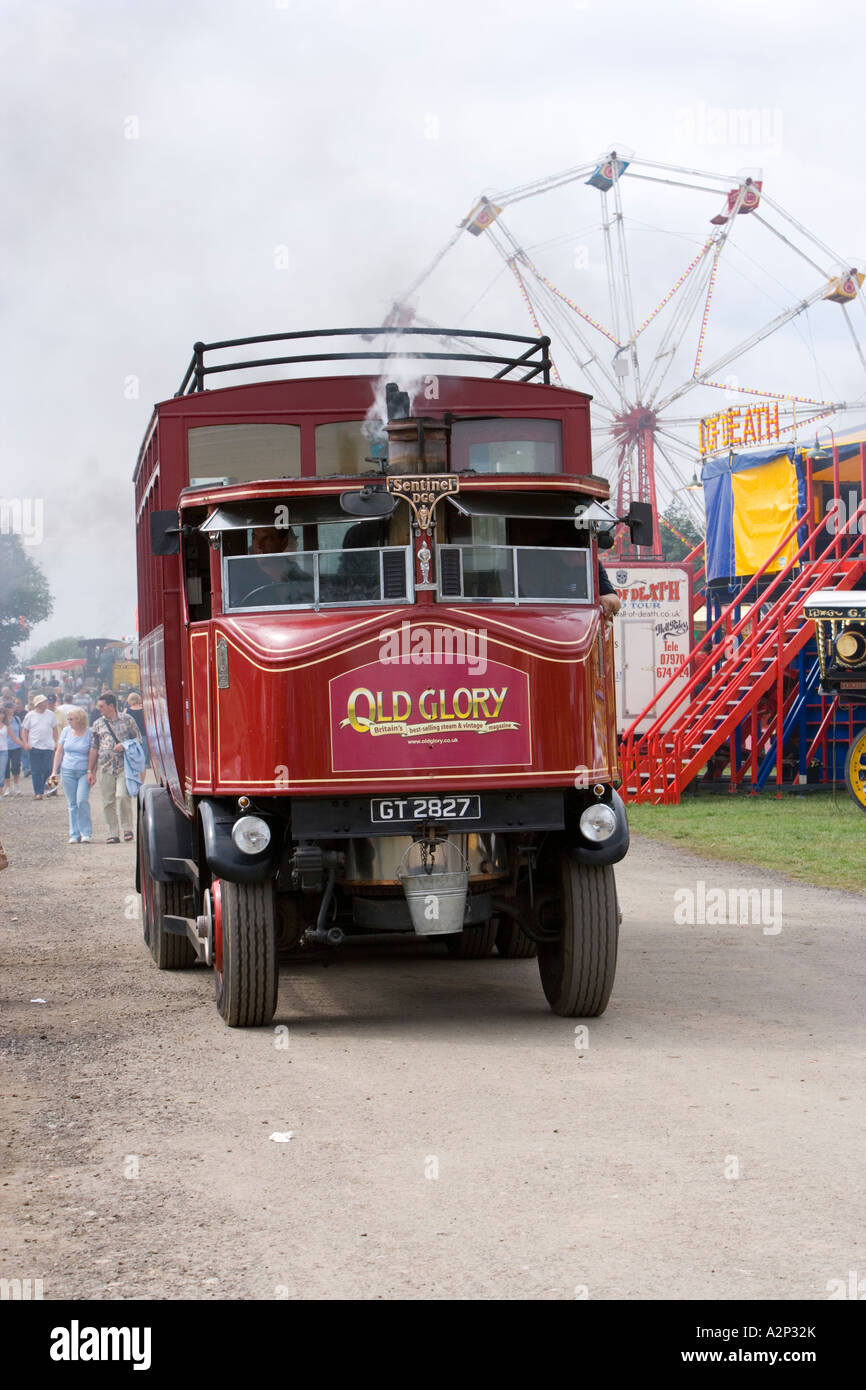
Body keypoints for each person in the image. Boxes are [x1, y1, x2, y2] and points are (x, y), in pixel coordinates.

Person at [87, 691, 141, 843]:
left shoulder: (127, 719)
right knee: (107, 801)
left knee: (123, 796)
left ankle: (127, 828)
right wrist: (90, 770)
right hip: (105, 767)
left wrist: (124, 745)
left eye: (101, 706)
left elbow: (138, 739)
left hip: (124, 765)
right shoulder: (97, 724)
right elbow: (94, 747)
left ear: (111, 706)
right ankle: (113, 832)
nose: (99, 709)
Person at [235, 526, 314, 605]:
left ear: (283, 543)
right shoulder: (240, 579)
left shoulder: (301, 579)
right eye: (254, 537)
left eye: (266, 538)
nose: (258, 545)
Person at [50, 707, 93, 843]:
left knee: (82, 800)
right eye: (68, 719)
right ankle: (74, 833)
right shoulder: (65, 731)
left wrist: (92, 771)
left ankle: (86, 832)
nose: (69, 721)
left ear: (79, 719)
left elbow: (93, 753)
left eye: (71, 719)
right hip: (67, 769)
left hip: (83, 770)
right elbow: (59, 751)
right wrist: (54, 771)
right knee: (72, 803)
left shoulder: (90, 732)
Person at [21, 693, 58, 799]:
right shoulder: (30, 715)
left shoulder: (51, 714)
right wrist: (25, 743)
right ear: (39, 704)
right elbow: (25, 730)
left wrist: (55, 742)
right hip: (34, 746)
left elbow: (54, 729)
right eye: (44, 702)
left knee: (49, 769)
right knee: (36, 771)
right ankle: (38, 792)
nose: (46, 704)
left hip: (48, 746)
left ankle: (50, 789)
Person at [0, 705, 24, 797]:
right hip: (6, 748)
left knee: (15, 767)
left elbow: (15, 736)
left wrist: (24, 744)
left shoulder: (15, 720)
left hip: (11, 748)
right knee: (4, 770)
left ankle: (15, 785)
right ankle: (7, 788)